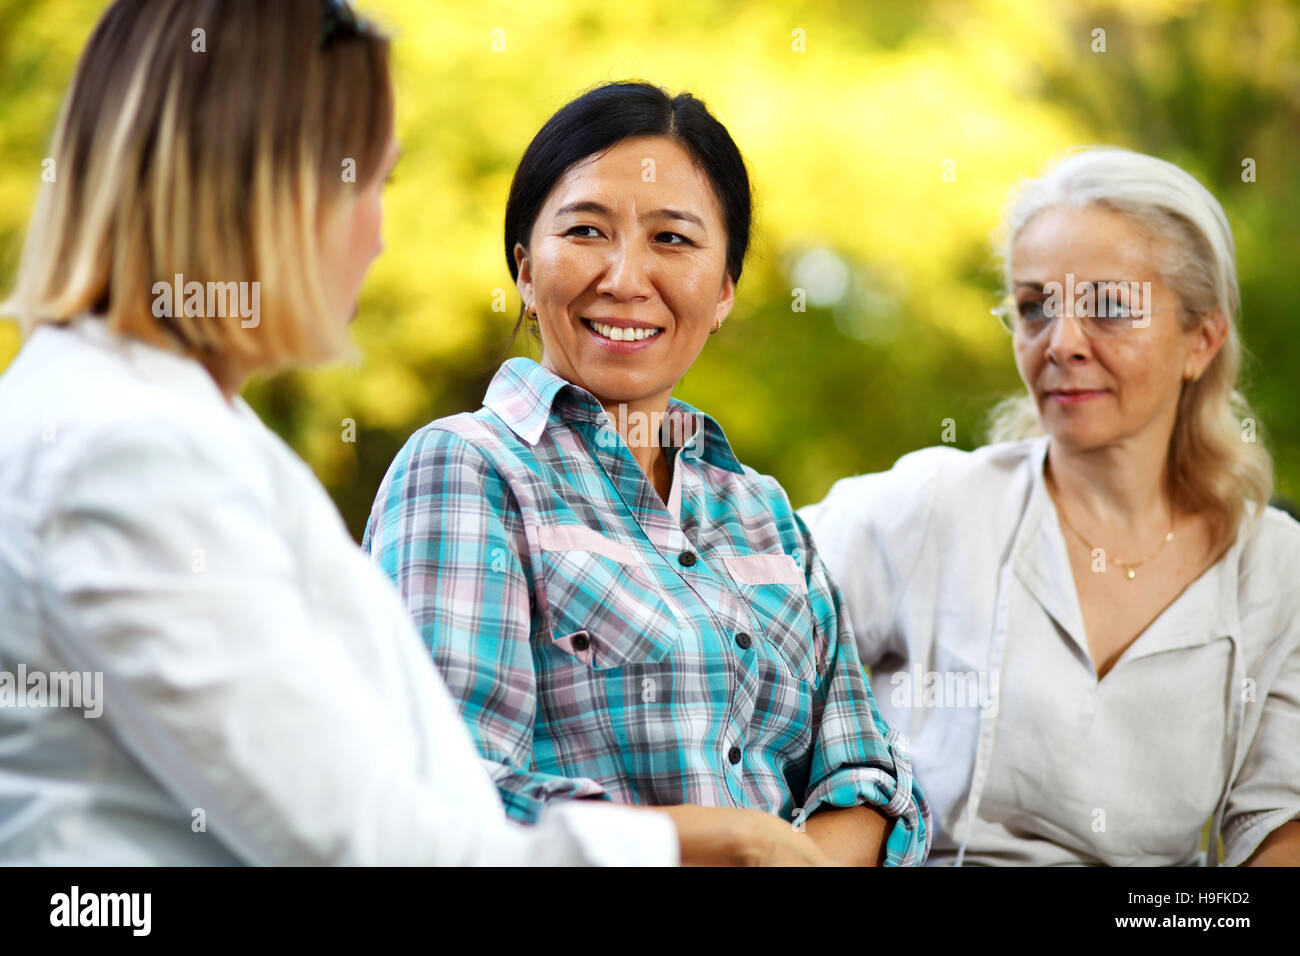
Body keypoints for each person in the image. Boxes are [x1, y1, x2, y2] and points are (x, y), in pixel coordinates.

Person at [0, 0, 768, 866]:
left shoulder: (173, 428)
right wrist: (716, 841)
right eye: (368, 184)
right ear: (261, 183)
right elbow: (374, 848)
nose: (378, 232)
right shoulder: (128, 452)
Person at [363, 82, 930, 866]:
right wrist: (732, 840)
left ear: (725, 288)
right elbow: (448, 792)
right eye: (588, 230)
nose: (627, 279)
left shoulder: (760, 510)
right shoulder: (465, 469)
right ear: (526, 270)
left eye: (673, 240)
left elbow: (869, 775)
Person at [801, 147, 1300, 866]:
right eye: (1035, 307)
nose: (1061, 343)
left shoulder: (1272, 566)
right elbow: (729, 617)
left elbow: (1279, 821)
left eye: (1107, 308)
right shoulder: (938, 506)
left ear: (1201, 339)